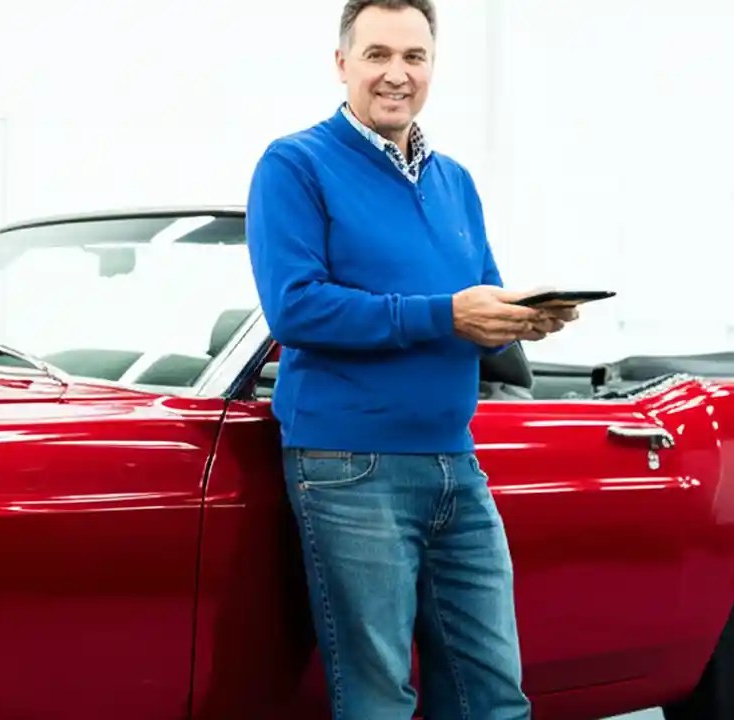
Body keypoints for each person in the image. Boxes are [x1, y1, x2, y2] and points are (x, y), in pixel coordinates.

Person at [246, 1, 579, 718]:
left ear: (432, 67)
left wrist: (520, 321)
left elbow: (476, 298)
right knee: (378, 697)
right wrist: (449, 314)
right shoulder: (295, 164)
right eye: (377, 55)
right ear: (343, 64)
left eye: (414, 57)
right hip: (348, 464)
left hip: (454, 460)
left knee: (492, 695)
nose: (397, 74)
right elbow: (296, 307)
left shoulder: (453, 179)